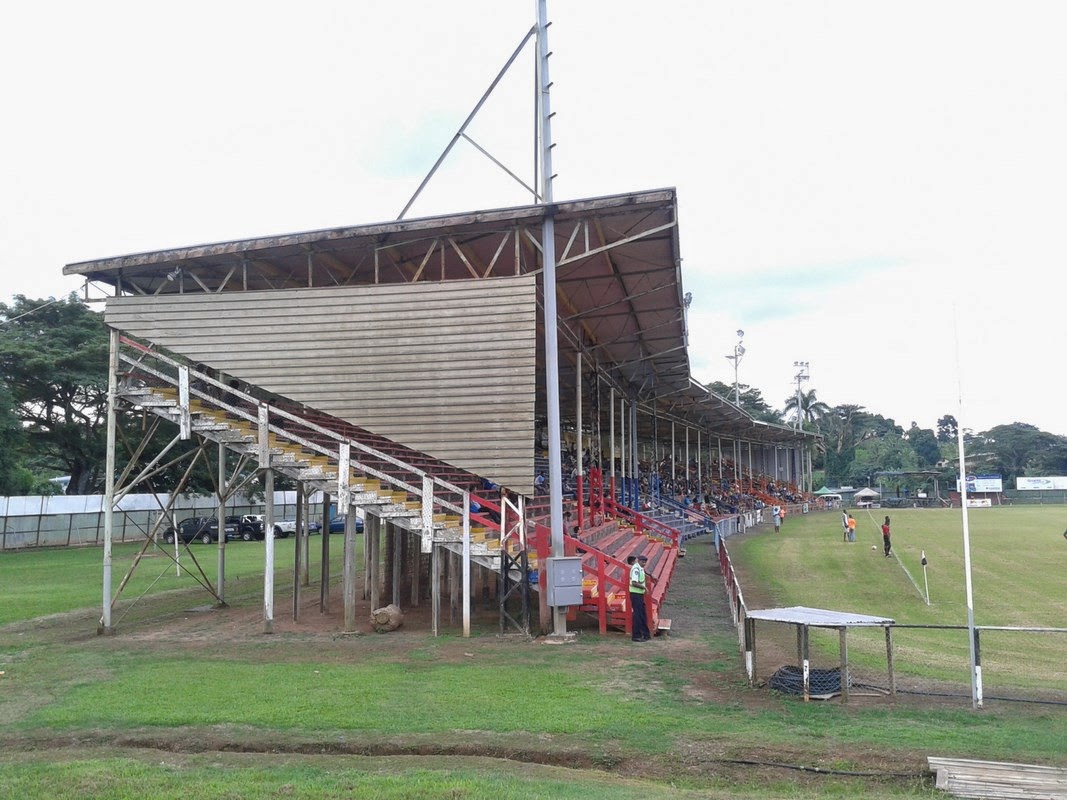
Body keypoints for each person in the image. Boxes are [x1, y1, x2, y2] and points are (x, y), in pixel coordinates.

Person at [629, 553, 651, 642]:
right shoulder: (636, 569)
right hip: (635, 594)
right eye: (643, 562)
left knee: (642, 614)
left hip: (639, 594)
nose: (644, 564)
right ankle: (636, 635)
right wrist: (644, 587)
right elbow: (634, 582)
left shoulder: (640, 568)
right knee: (637, 615)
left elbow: (644, 571)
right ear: (639, 561)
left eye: (645, 562)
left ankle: (645, 634)